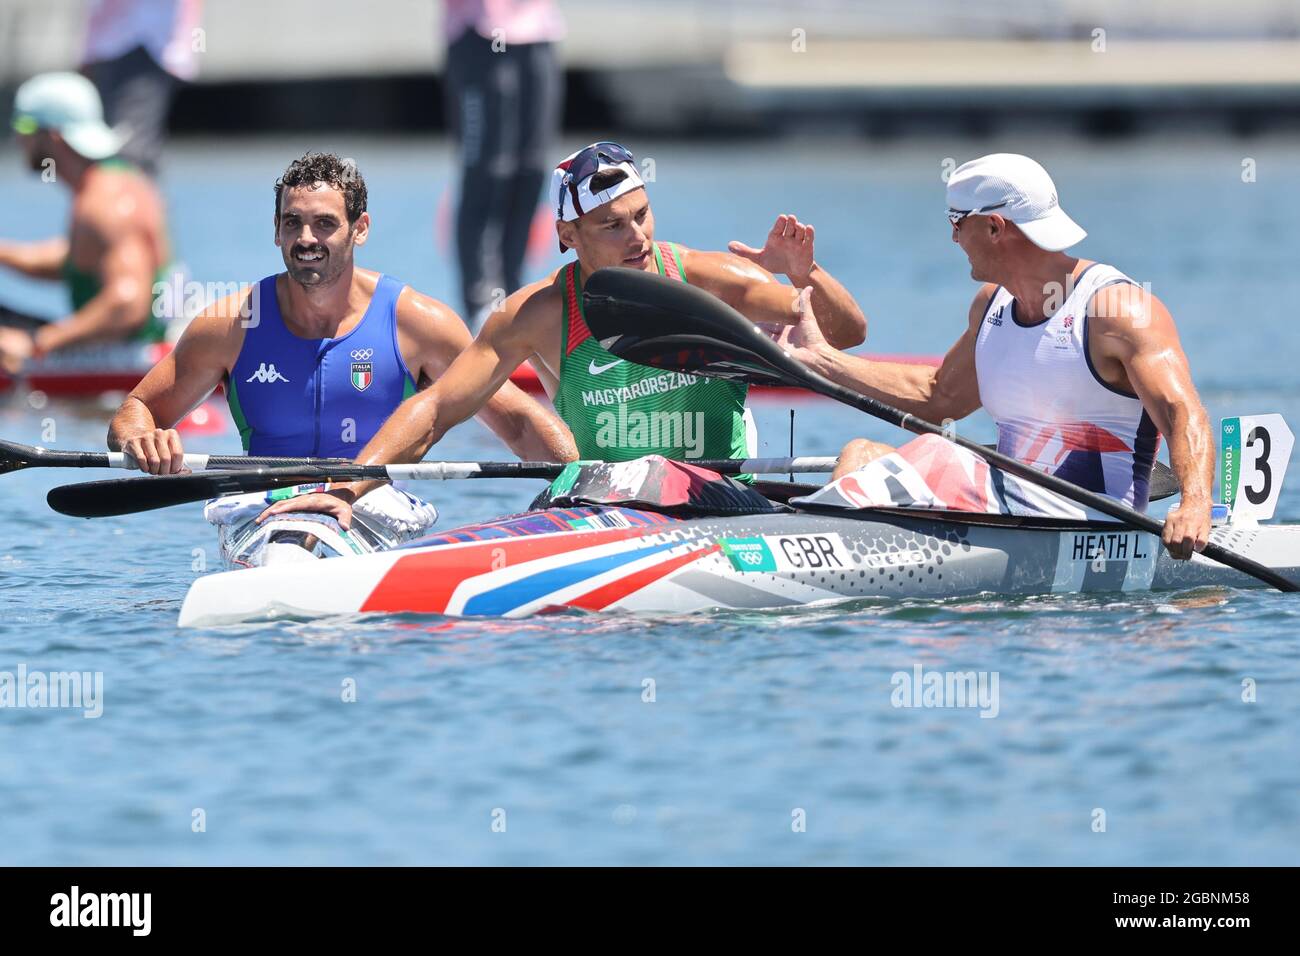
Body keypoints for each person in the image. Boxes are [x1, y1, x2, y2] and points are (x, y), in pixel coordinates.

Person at [257, 140, 867, 528]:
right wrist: (351, 485)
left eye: (641, 216)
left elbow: (847, 334)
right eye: (611, 226)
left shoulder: (710, 277)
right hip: (607, 509)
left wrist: (804, 273)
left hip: (717, 503)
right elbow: (440, 405)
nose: (638, 239)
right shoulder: (538, 314)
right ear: (568, 237)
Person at [108, 151, 575, 565]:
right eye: (292, 223)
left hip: (373, 504)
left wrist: (586, 484)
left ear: (361, 228)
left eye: (325, 223)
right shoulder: (230, 325)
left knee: (297, 558)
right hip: (263, 507)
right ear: (276, 231)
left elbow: (517, 423)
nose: (306, 238)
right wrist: (142, 441)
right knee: (286, 554)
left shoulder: (418, 323)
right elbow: (135, 412)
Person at [774, 153, 1213, 560]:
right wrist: (821, 359)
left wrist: (1195, 504)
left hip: (1094, 522)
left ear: (994, 228)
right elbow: (937, 396)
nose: (952, 236)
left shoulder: (1115, 310)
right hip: (1009, 511)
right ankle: (819, 554)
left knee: (937, 453)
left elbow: (1181, 411)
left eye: (956, 220)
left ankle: (800, 547)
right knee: (862, 453)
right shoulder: (992, 305)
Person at [0, 72, 174, 373]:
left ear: (53, 136)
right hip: (126, 342)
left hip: (128, 356)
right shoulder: (118, 180)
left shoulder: (103, 206)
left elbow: (127, 305)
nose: (18, 138)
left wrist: (36, 343)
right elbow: (82, 260)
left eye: (24, 125)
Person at [443, 0, 564, 326]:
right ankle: (480, 306)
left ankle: (513, 300)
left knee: (532, 171)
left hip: (539, 33)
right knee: (486, 172)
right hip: (478, 34)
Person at [81, 0, 205, 177]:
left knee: (130, 151)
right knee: (105, 145)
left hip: (142, 41)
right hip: (107, 45)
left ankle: (128, 199)